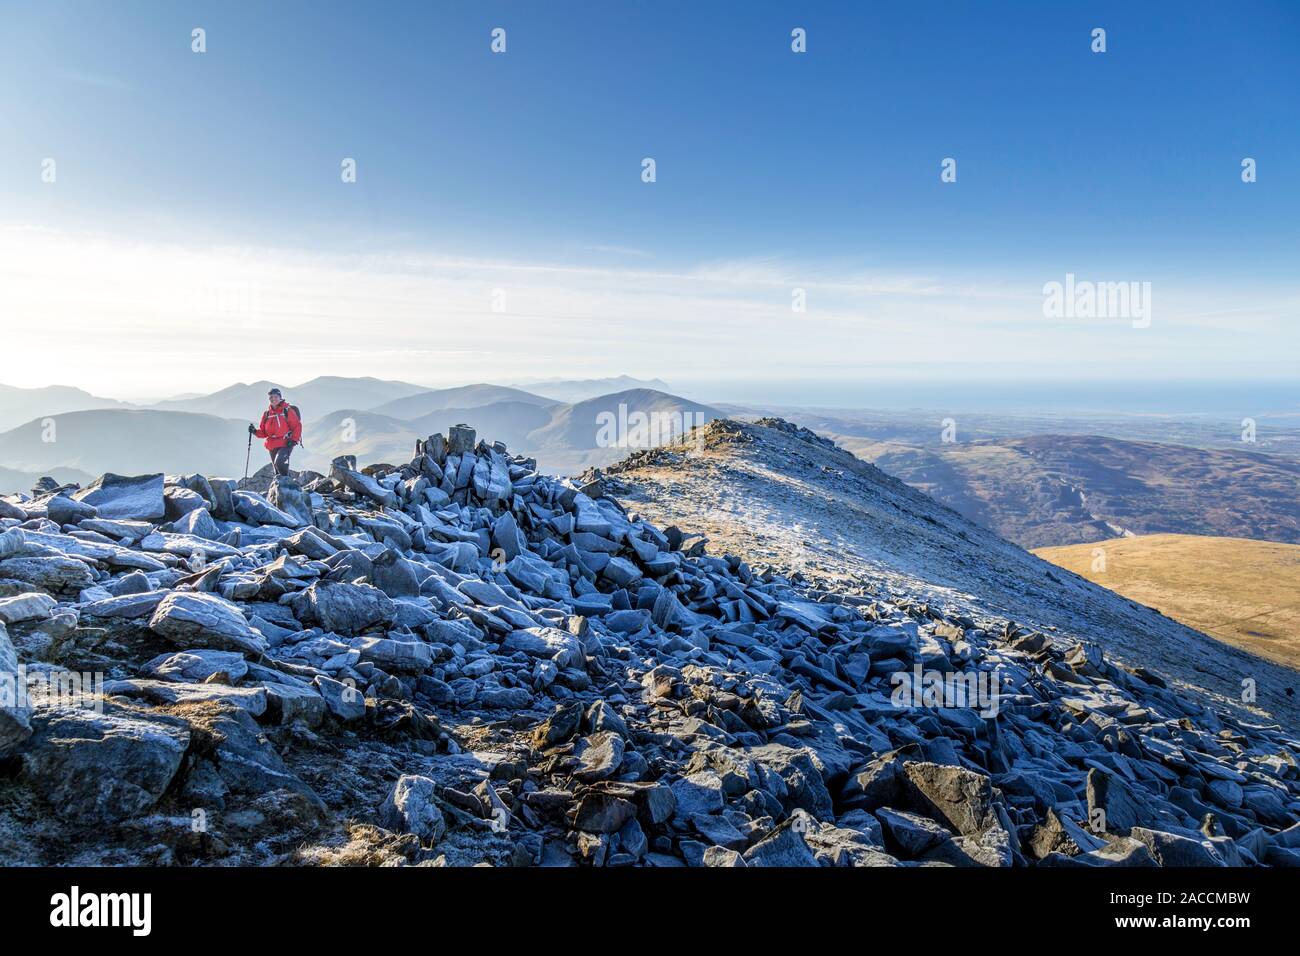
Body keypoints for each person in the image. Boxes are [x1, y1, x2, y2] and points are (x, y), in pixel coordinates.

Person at [250, 388, 302, 477]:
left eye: (276, 396)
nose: (273, 399)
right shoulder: (267, 414)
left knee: (279, 463)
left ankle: (288, 485)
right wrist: (254, 431)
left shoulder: (287, 410)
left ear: (280, 397)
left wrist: (294, 440)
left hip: (286, 442)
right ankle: (281, 488)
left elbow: (297, 426)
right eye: (271, 397)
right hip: (272, 445)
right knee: (277, 471)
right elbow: (264, 432)